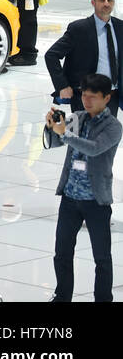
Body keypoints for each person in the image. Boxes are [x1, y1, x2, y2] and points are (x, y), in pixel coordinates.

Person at [45, 74, 120, 303]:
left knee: (102, 258)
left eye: (93, 97)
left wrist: (64, 134)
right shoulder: (77, 117)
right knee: (62, 254)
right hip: (69, 198)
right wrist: (51, 126)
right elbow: (55, 142)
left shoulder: (114, 127)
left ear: (106, 98)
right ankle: (62, 296)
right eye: (84, 95)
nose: (86, 101)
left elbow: (94, 148)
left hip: (96, 201)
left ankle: (103, 299)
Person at [45, 0, 123, 116]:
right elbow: (51, 55)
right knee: (81, 135)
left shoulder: (120, 27)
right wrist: (62, 86)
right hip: (85, 97)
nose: (106, 3)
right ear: (93, 3)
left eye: (110, 0)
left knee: (107, 135)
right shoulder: (79, 29)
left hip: (111, 96)